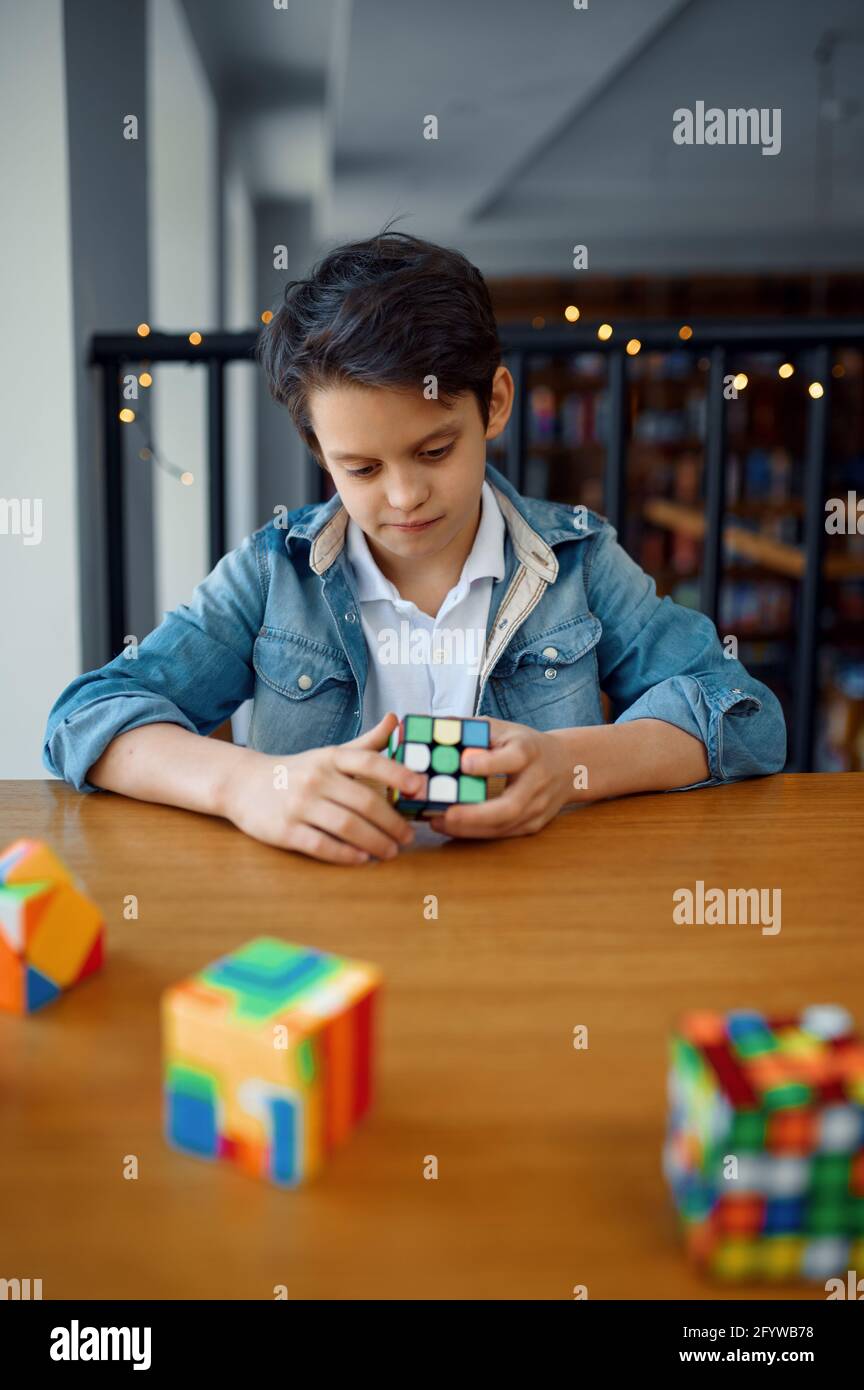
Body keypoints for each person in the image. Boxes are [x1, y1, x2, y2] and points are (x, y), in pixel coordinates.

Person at [43, 228, 786, 864]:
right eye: (361, 468)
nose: (402, 498)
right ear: (317, 445)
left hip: (534, 924)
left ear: (493, 403)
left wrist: (571, 766)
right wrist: (249, 785)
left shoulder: (578, 565)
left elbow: (747, 712)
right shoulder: (274, 573)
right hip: (316, 930)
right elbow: (87, 718)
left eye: (434, 452)